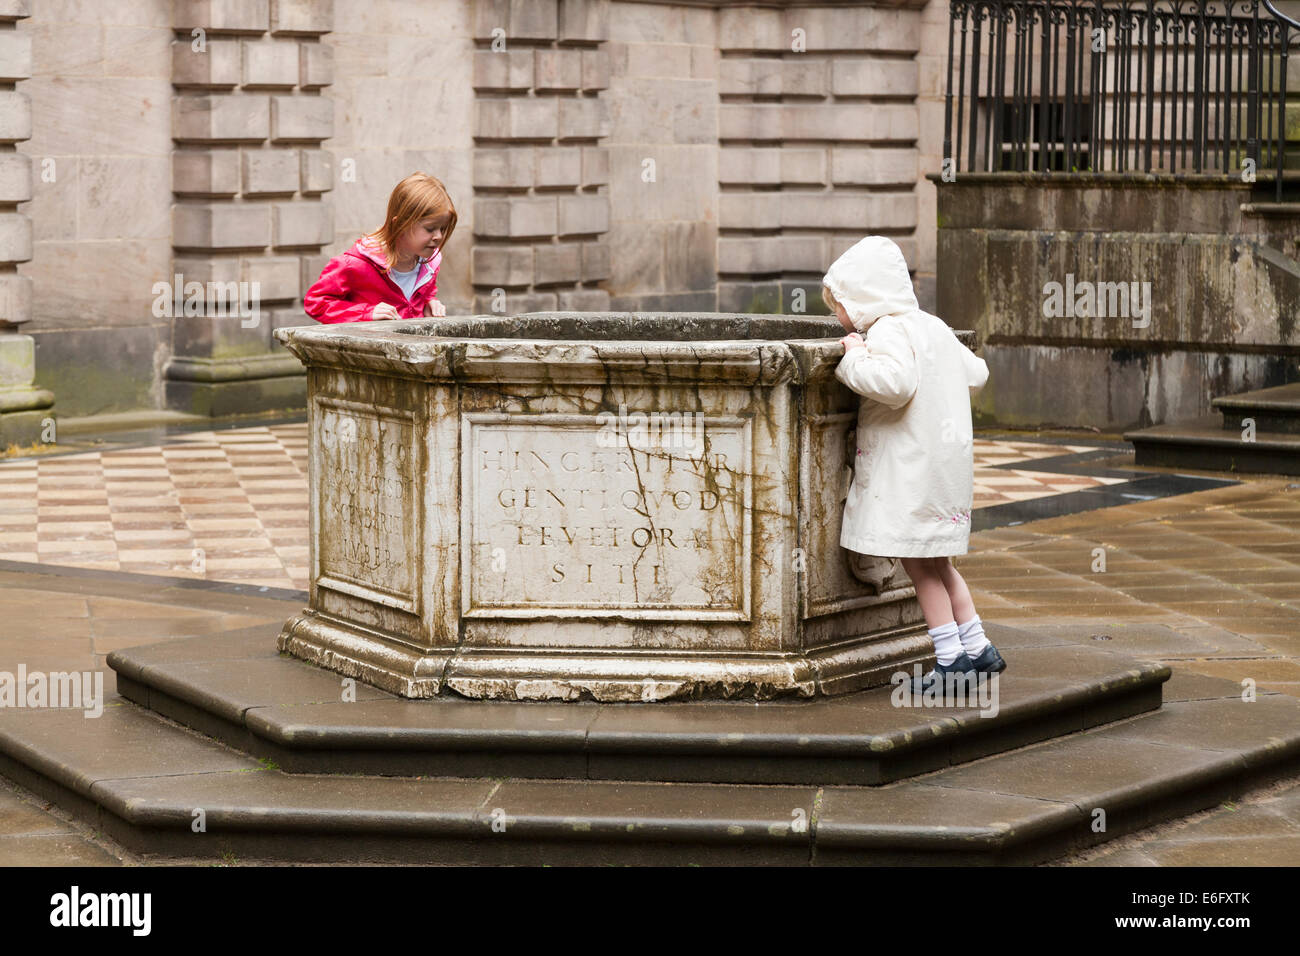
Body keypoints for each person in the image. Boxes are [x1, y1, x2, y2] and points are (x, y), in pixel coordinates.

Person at [822, 235, 1004, 694]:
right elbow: (976, 372)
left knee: (918, 566)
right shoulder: (932, 325)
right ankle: (979, 647)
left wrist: (853, 357)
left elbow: (895, 383)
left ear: (865, 296)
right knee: (942, 563)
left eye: (839, 303)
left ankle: (950, 662)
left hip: (911, 472)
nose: (836, 314)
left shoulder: (886, 330)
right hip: (944, 468)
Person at [304, 172, 456, 324]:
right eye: (430, 229)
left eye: (442, 229)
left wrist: (429, 303)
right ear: (400, 224)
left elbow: (423, 295)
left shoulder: (430, 263)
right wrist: (366, 313)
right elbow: (316, 302)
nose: (439, 236)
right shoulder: (355, 264)